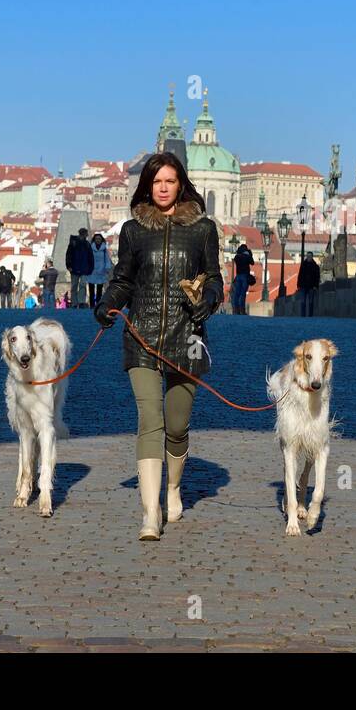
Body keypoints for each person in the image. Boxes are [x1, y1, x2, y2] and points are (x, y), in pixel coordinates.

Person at [96, 152, 223, 542]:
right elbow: (123, 279)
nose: (163, 188)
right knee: (149, 421)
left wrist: (208, 300)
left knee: (177, 426)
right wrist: (108, 302)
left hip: (188, 337)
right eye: (156, 182)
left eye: (170, 181)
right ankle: (151, 512)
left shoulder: (203, 229)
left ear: (181, 183)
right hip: (142, 334)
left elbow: (215, 280)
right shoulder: (133, 230)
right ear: (147, 187)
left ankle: (172, 489)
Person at [66, 227, 94, 308]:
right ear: (84, 234)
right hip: (75, 268)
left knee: (81, 285)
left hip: (84, 269)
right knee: (75, 286)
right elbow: (69, 255)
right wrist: (69, 266)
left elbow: (90, 257)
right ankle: (75, 303)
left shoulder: (87, 244)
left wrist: (90, 268)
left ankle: (81, 302)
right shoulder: (74, 243)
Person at [88, 232, 111, 311]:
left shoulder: (104, 249)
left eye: (99, 239)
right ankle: (91, 305)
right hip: (92, 271)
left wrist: (107, 268)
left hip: (101, 271)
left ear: (102, 240)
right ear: (94, 240)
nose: (98, 240)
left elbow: (107, 259)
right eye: (96, 239)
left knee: (99, 290)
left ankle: (98, 304)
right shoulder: (90, 248)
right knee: (91, 289)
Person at [231, 243, 254, 315]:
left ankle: (236, 310)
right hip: (245, 276)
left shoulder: (237, 257)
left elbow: (235, 259)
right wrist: (249, 254)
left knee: (236, 294)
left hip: (238, 276)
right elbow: (252, 262)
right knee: (243, 294)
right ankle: (242, 310)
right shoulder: (247, 256)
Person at [298, 252, 320, 317]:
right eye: (307, 256)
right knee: (303, 302)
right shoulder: (303, 265)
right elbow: (300, 275)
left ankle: (310, 315)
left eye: (310, 256)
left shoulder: (315, 266)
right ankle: (303, 315)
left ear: (312, 257)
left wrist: (316, 286)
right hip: (303, 286)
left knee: (311, 302)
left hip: (311, 286)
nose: (308, 257)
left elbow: (317, 277)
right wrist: (299, 285)